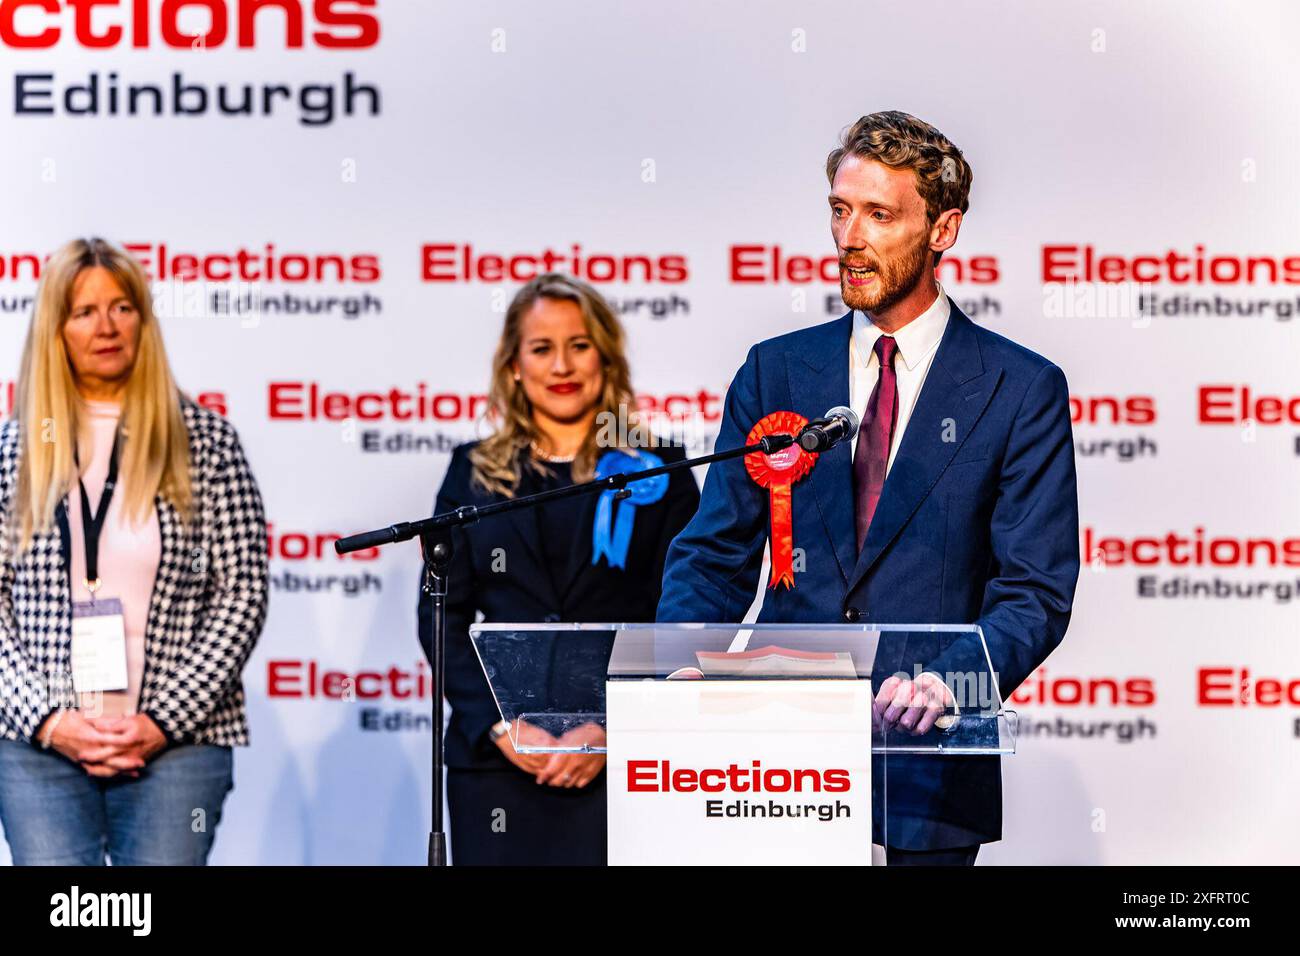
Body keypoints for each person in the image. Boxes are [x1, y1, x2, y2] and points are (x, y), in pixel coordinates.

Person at [658, 111, 1081, 866]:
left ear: (943, 229)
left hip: (933, 755)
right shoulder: (775, 370)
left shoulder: (1020, 388)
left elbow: (1034, 588)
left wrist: (954, 682)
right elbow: (714, 551)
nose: (849, 237)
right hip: (781, 756)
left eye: (879, 215)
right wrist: (684, 659)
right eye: (839, 209)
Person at [0, 237, 269, 865]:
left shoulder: (205, 442)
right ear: (55, 329)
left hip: (179, 746)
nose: (107, 326)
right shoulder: (13, 450)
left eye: (123, 308)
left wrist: (161, 722)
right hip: (36, 746)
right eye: (84, 311)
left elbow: (241, 595)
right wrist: (47, 720)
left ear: (144, 321)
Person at [419, 272, 699, 866]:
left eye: (579, 344)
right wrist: (500, 726)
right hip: (495, 762)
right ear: (515, 365)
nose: (562, 365)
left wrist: (611, 728)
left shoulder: (661, 468)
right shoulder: (470, 471)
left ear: (604, 356)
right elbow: (441, 613)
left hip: (627, 759)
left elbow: (683, 616)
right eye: (542, 348)